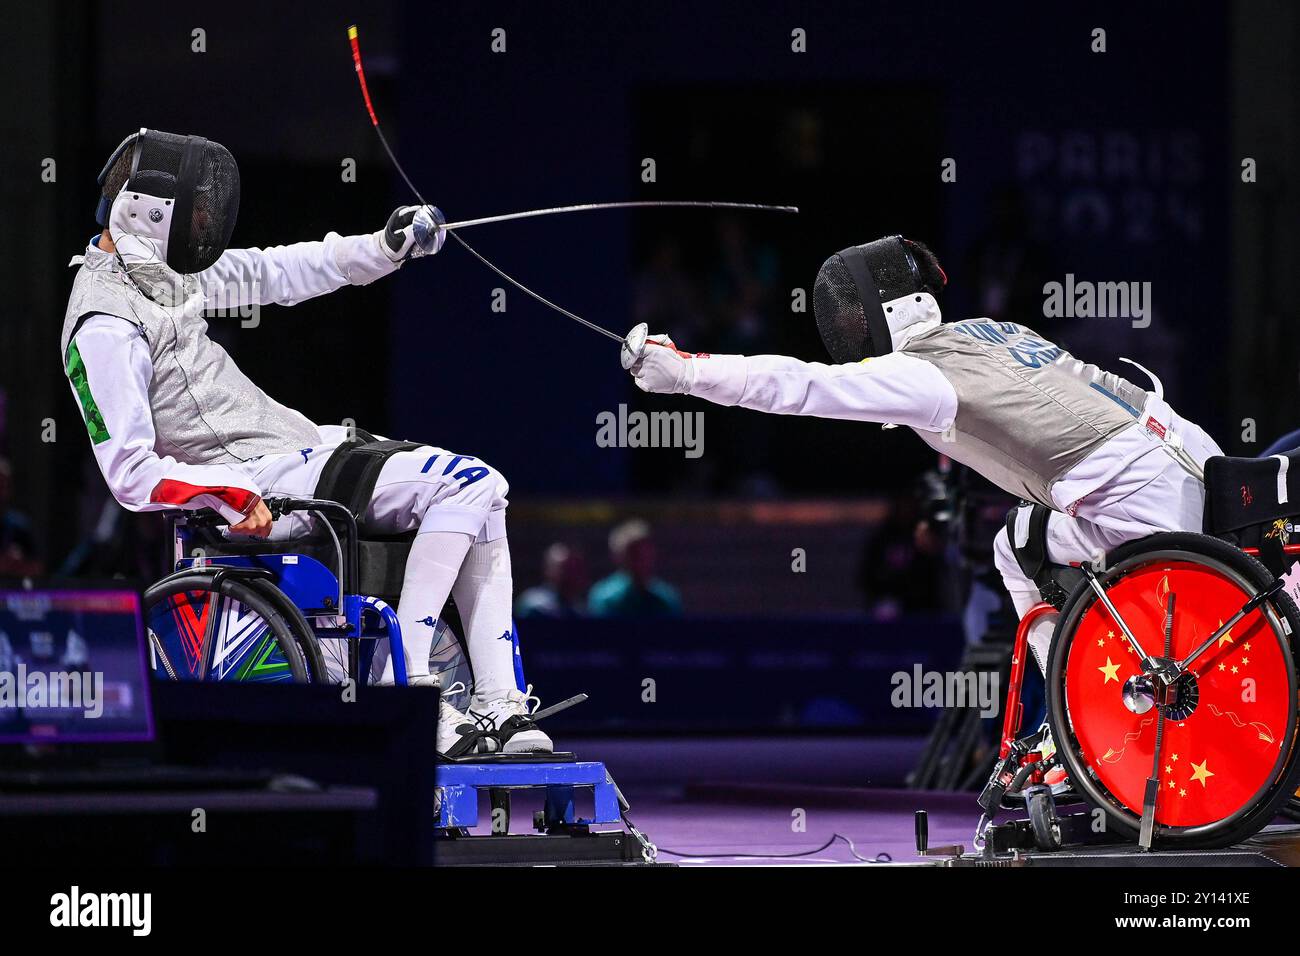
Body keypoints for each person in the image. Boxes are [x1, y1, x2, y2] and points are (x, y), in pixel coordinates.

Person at [60, 128, 550, 756]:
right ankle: (418, 687)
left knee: (486, 497)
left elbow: (280, 270)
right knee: (470, 482)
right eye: (198, 212)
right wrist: (226, 492)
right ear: (150, 214)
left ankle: (499, 704)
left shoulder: (168, 273)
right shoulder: (103, 322)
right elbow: (128, 472)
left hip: (296, 453)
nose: (208, 225)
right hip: (253, 485)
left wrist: (385, 246)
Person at [622, 234, 1221, 675]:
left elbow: (800, 386)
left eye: (851, 315)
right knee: (1016, 545)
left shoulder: (922, 375)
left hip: (1143, 504)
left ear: (877, 315)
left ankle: (1080, 714)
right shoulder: (991, 329)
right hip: (1195, 455)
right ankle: (1075, 711)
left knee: (1021, 553)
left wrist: (684, 373)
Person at [588, 519, 682, 618]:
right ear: (619, 557)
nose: (642, 561)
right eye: (634, 555)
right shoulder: (605, 598)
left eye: (646, 554)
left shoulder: (667, 597)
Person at [515, 542, 589, 619]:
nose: (565, 573)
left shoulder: (578, 608)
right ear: (547, 569)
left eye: (568, 568)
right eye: (561, 567)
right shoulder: (531, 603)